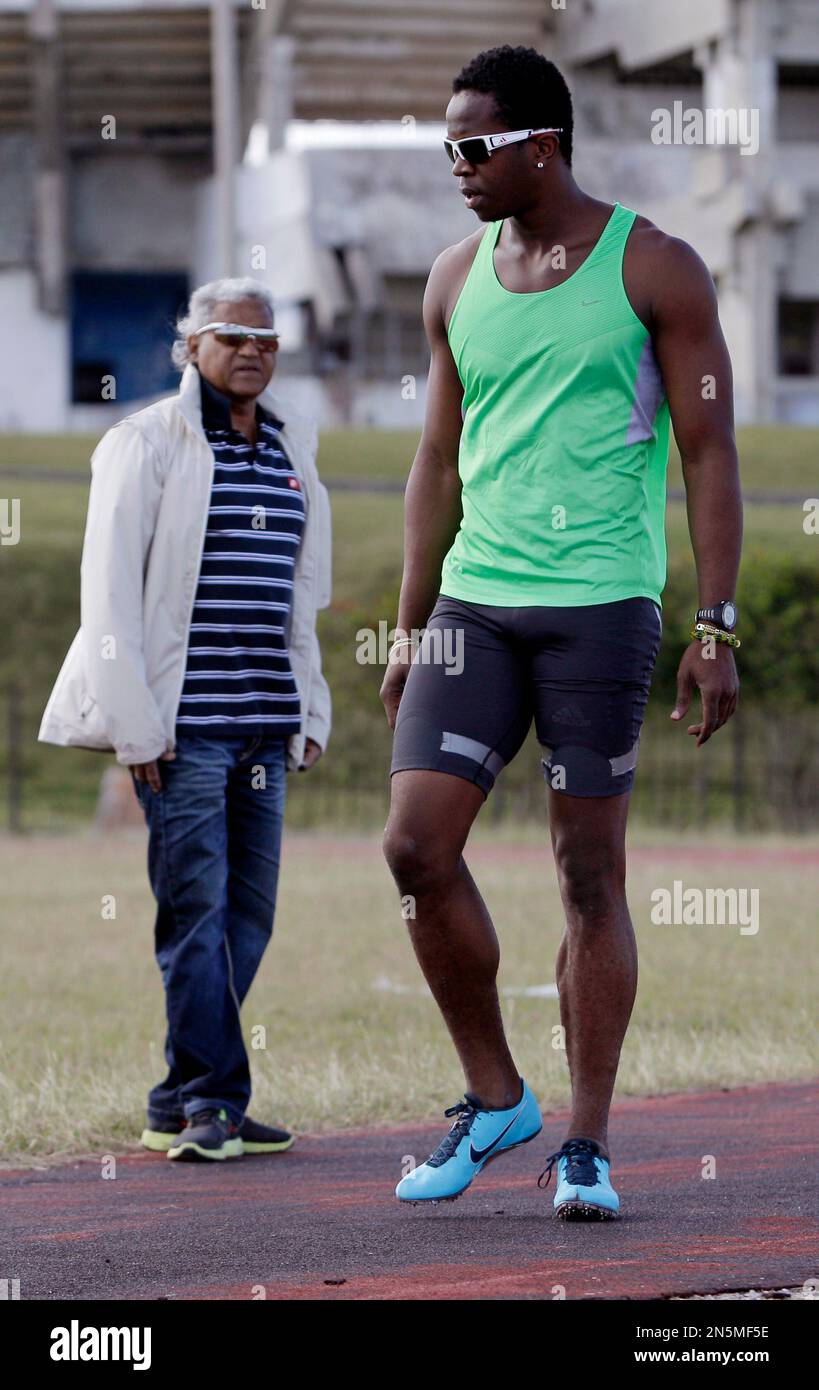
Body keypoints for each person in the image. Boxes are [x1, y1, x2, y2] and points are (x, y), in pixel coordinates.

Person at [381, 47, 741, 1219]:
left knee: (590, 877)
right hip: (476, 606)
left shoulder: (658, 268)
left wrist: (715, 619)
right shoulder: (453, 278)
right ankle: (496, 1098)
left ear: (542, 142)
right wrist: (406, 623)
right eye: (447, 148)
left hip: (601, 606)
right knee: (413, 848)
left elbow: (709, 454)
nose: (457, 169)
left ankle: (585, 1144)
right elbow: (436, 460)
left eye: (473, 147)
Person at [39, 278, 332, 1161]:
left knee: (248, 917)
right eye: (229, 335)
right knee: (194, 914)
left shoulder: (289, 446)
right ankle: (213, 1101)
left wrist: (309, 707)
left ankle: (176, 1097)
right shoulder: (145, 442)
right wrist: (136, 727)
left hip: (264, 724)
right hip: (183, 727)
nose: (251, 350)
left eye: (265, 339)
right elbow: (109, 597)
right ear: (190, 346)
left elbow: (300, 597)